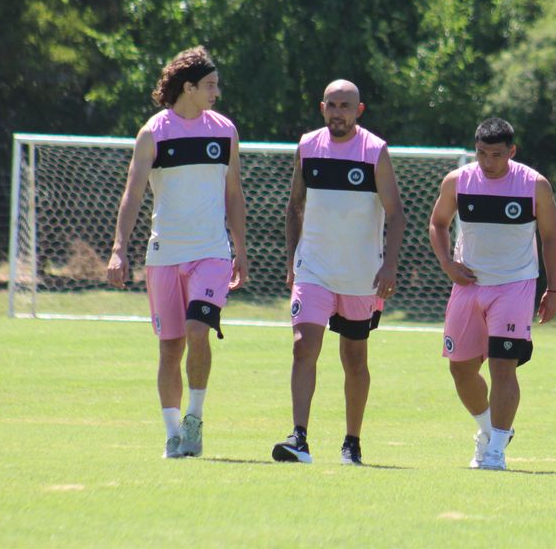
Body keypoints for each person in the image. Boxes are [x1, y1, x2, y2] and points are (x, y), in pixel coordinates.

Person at [106, 45, 249, 459]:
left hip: (211, 253)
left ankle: (195, 419)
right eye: (210, 85)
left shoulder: (224, 130)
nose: (216, 92)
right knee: (170, 347)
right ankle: (172, 434)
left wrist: (240, 249)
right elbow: (132, 195)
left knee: (197, 331)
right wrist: (119, 249)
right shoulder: (154, 132)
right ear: (188, 88)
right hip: (163, 254)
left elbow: (234, 193)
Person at [271, 80, 405, 466]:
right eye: (332, 105)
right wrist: (292, 261)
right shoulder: (308, 145)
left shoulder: (374, 151)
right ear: (322, 107)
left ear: (358, 111)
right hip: (314, 268)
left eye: (346, 106)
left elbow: (396, 214)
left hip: (361, 275)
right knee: (303, 346)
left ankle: (352, 441)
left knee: (354, 359)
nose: (338, 113)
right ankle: (299, 437)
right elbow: (295, 206)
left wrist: (389, 265)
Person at [427, 118, 556, 471]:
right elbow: (438, 223)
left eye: (497, 155)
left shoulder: (535, 185)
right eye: (482, 154)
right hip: (468, 285)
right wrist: (447, 265)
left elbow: (550, 237)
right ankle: (490, 431)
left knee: (504, 368)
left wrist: (554, 288)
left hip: (515, 287)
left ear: (512, 152)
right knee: (460, 370)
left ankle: (496, 452)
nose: (489, 162)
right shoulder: (458, 181)